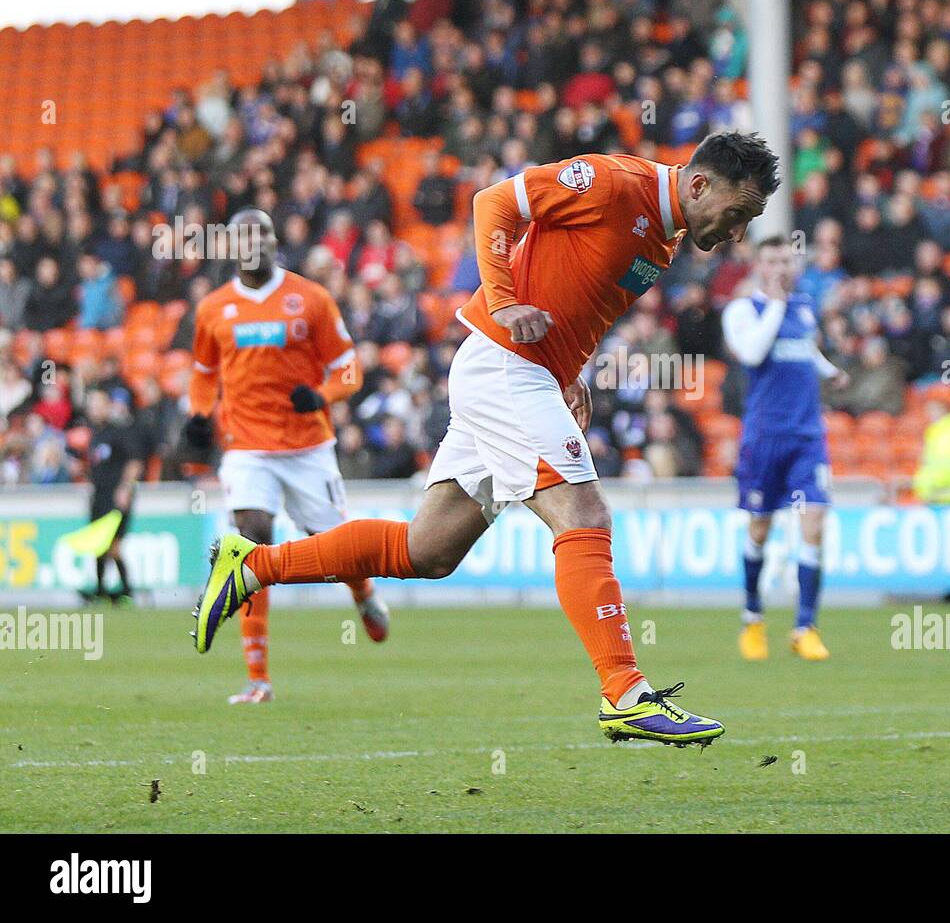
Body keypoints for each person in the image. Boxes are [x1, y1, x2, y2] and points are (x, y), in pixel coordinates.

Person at [192, 131, 781, 746]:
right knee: (583, 512)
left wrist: (570, 369)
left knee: (428, 551)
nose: (737, 232)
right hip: (505, 366)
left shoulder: (666, 234)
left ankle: (253, 564)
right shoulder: (609, 183)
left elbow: (575, 290)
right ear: (699, 184)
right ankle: (625, 693)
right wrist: (501, 303)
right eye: (738, 214)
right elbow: (493, 202)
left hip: (523, 373)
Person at [183, 208, 390, 705]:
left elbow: (349, 369)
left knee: (335, 548)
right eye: (243, 237)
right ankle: (259, 678)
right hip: (247, 448)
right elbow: (203, 371)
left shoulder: (311, 299)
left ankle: (363, 594)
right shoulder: (213, 309)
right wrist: (196, 412)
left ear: (276, 242)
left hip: (307, 448)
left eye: (263, 234)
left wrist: (322, 397)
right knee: (250, 545)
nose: (253, 244)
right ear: (230, 247)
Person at [722, 237, 846, 662]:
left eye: (786, 261)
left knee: (814, 523)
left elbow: (804, 349)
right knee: (760, 528)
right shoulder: (743, 311)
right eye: (772, 260)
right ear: (758, 265)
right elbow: (753, 353)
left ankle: (805, 626)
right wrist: (774, 303)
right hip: (763, 437)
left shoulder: (804, 308)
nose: (780, 268)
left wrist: (830, 372)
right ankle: (753, 616)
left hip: (807, 436)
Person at [82, 388, 143, 604]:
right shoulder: (96, 434)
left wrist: (125, 488)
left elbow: (135, 461)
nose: (93, 410)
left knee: (112, 542)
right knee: (100, 542)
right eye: (91, 406)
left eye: (97, 405)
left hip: (115, 495)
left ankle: (126, 590)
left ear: (108, 406)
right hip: (99, 495)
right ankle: (101, 589)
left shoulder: (120, 431)